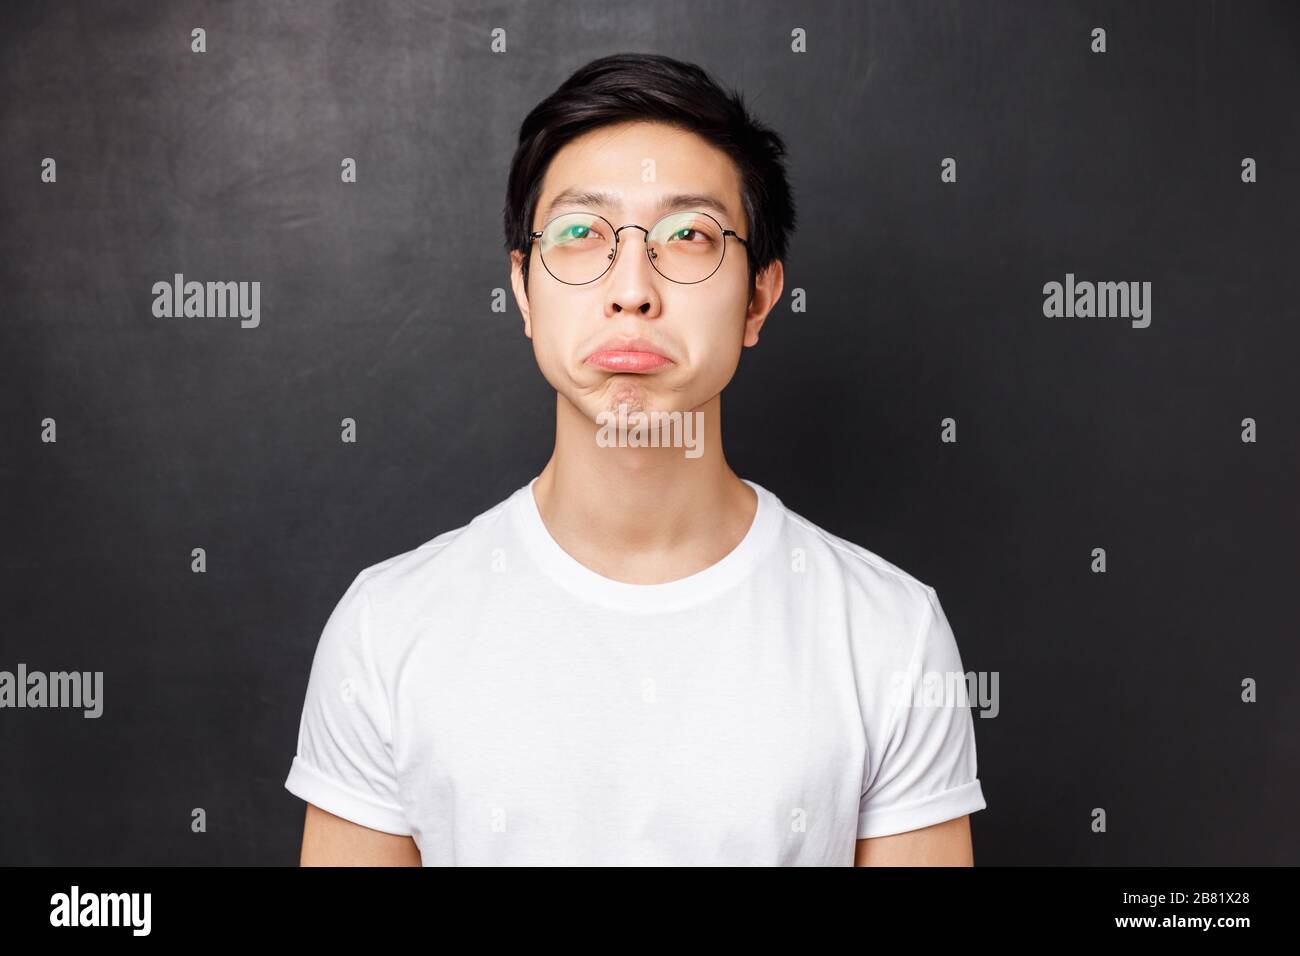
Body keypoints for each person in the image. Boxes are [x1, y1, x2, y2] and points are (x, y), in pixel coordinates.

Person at [284, 51, 987, 866]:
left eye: (687, 235)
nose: (631, 289)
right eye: (581, 234)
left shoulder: (888, 634)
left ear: (759, 296)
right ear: (522, 289)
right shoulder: (386, 629)